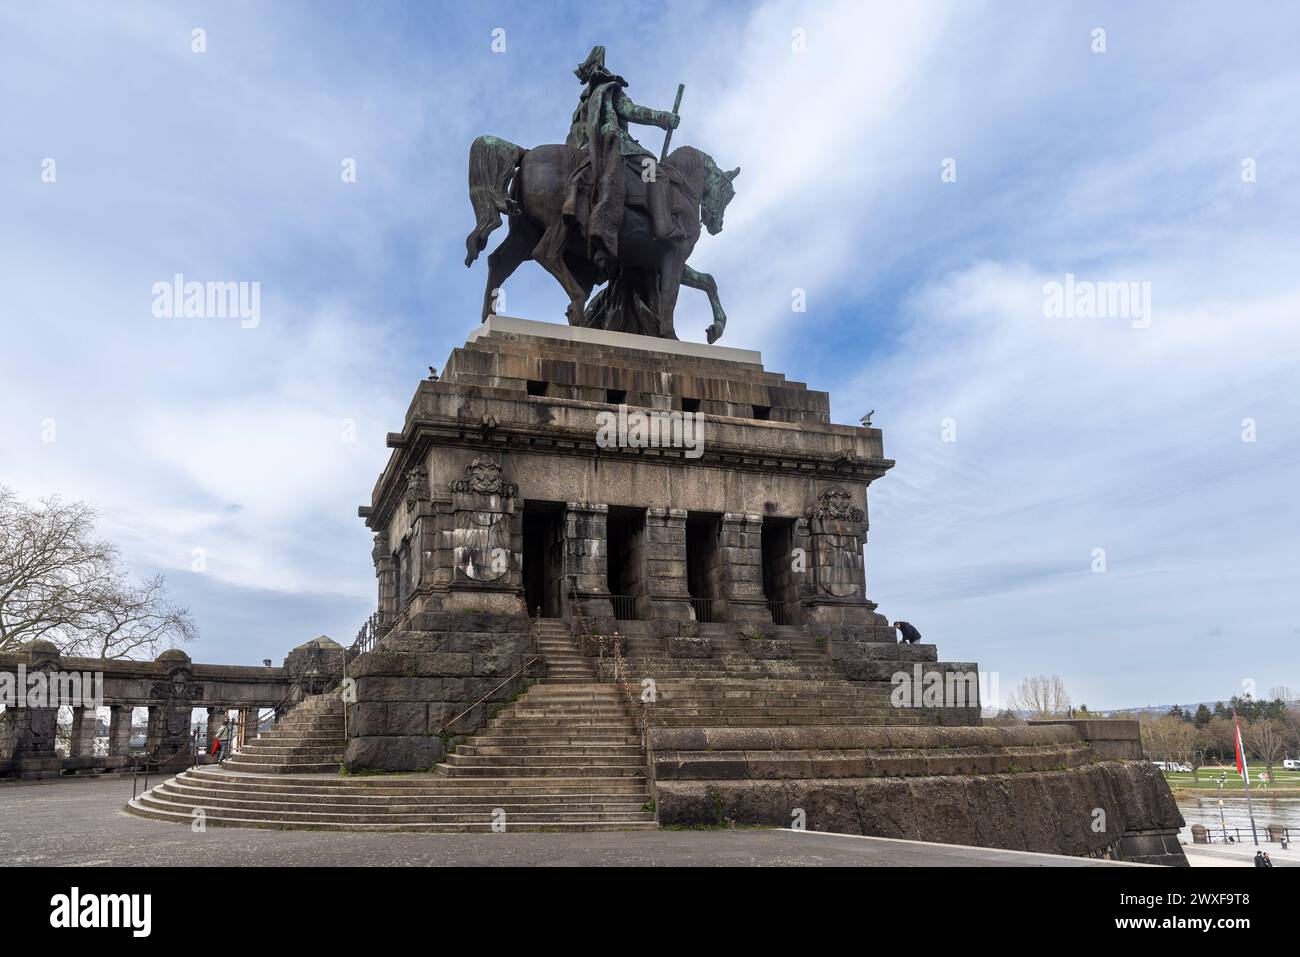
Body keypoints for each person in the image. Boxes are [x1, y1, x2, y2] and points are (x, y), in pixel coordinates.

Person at [563, 45, 682, 269]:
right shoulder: (611, 89)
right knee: (656, 172)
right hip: (615, 142)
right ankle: (664, 225)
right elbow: (631, 111)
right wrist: (662, 117)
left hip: (591, 147)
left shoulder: (583, 104)